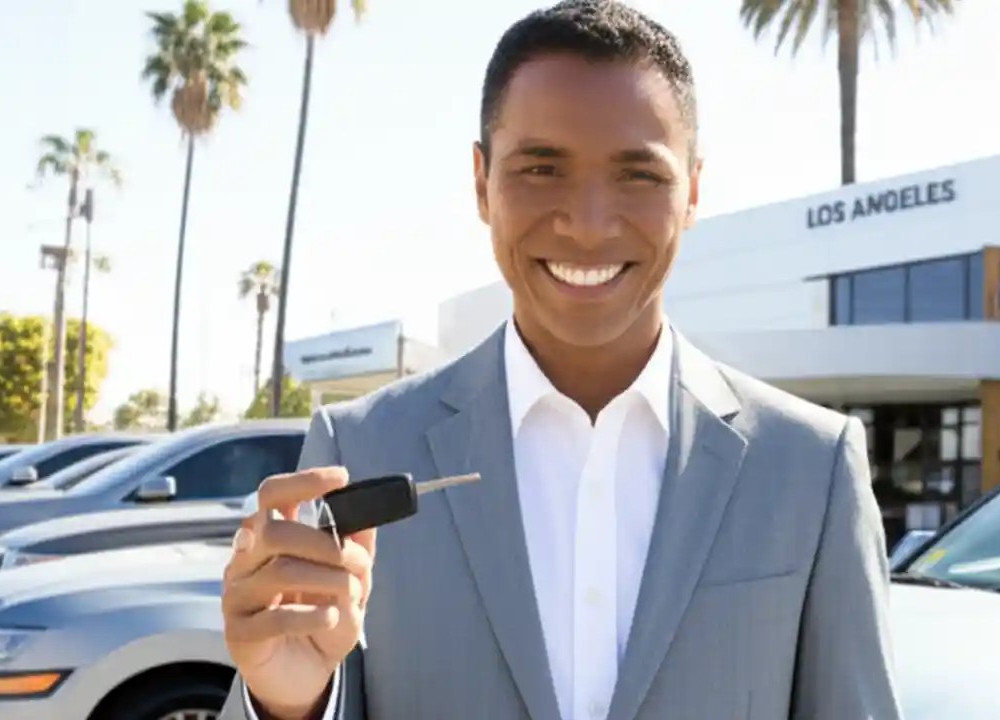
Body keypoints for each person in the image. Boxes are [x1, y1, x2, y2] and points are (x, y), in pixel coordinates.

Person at [219, 1, 902, 718]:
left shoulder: (810, 467)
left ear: (693, 192)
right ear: (481, 183)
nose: (587, 224)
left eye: (638, 175)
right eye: (542, 168)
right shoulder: (362, 451)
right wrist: (286, 703)